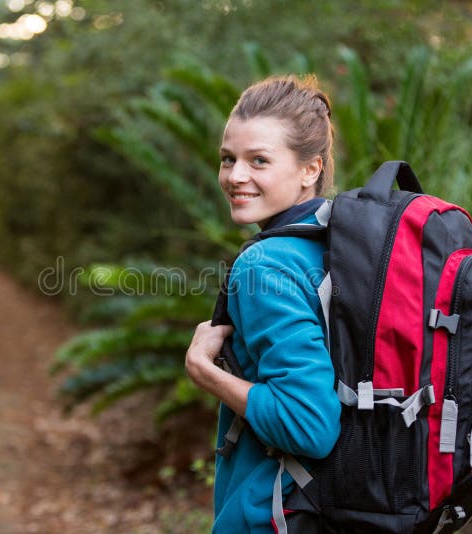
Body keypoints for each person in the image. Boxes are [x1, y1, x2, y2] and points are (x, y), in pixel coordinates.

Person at [185, 75, 341, 533]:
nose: (235, 176)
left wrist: (204, 371)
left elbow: (310, 424)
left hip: (274, 513)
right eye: (228, 159)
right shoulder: (329, 241)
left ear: (310, 169)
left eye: (259, 161)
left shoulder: (264, 264)